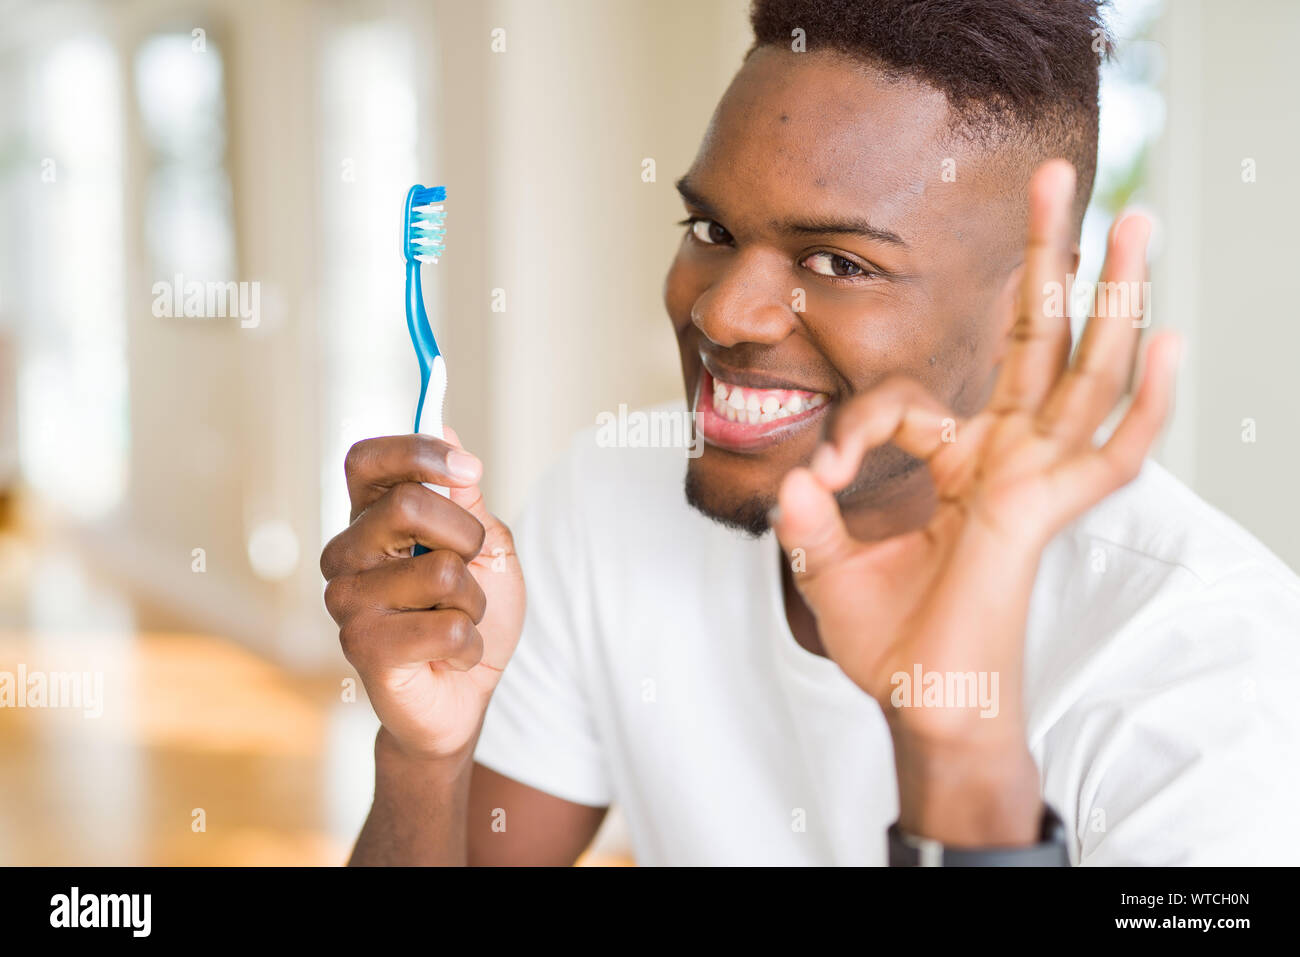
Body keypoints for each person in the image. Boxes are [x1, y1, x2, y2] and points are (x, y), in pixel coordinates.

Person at [321, 0, 1300, 865]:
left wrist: (957, 765)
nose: (724, 316)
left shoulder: (1206, 664)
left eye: (836, 261)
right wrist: (423, 753)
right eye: (711, 233)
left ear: (1031, 298)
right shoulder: (608, 501)